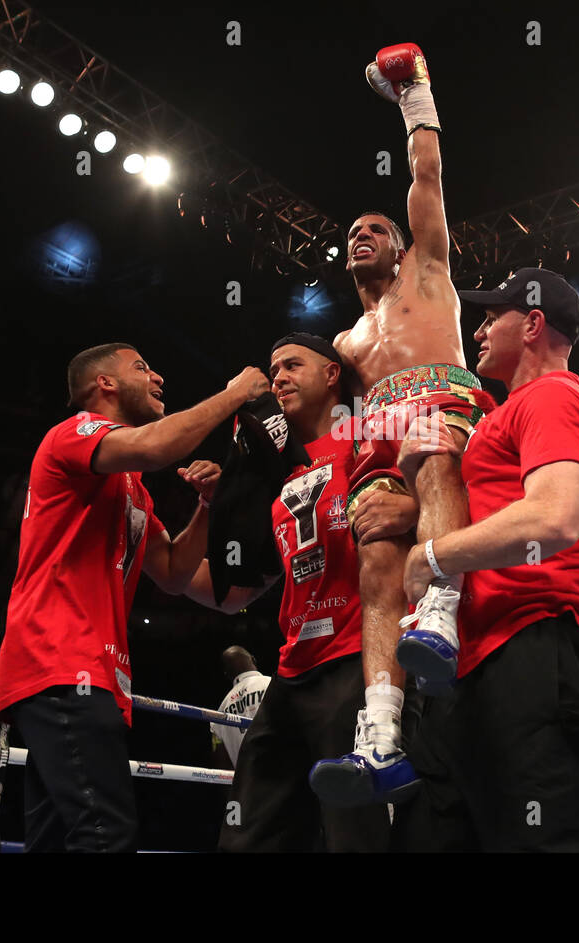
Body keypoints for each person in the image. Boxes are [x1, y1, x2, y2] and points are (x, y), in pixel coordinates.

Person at [313, 43, 497, 806]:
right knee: (376, 566)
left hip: (440, 404)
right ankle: (381, 734)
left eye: (374, 229)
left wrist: (412, 95)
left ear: (400, 244)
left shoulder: (428, 269)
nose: (362, 236)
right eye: (351, 233)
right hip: (376, 431)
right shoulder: (346, 343)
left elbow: (426, 174)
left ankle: (444, 609)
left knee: (426, 436)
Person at [0, 342, 268, 852]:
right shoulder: (74, 432)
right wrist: (232, 396)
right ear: (106, 385)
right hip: (60, 662)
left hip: (83, 672)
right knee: (106, 834)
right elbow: (157, 445)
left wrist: (207, 506)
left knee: (58, 840)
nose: (158, 376)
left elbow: (173, 572)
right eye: (142, 367)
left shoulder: (130, 489)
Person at [393, 268, 579, 851]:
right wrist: (418, 471)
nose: (481, 329)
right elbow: (482, 510)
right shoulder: (500, 413)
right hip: (470, 655)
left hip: (532, 637)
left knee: (545, 839)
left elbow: (554, 518)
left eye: (495, 317)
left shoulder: (553, 396)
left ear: (534, 324)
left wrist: (431, 555)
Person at [181, 333, 405, 850]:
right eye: (272, 369)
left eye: (291, 365)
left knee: (356, 833)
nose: (277, 376)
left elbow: (438, 508)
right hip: (293, 668)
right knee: (246, 833)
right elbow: (234, 592)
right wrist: (161, 552)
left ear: (331, 375)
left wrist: (412, 509)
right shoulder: (279, 473)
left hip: (358, 659)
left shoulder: (368, 440)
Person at [209, 646, 270, 768]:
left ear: (227, 675)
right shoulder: (273, 685)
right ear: (253, 659)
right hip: (285, 774)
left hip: (246, 782)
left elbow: (221, 760)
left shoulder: (220, 710)